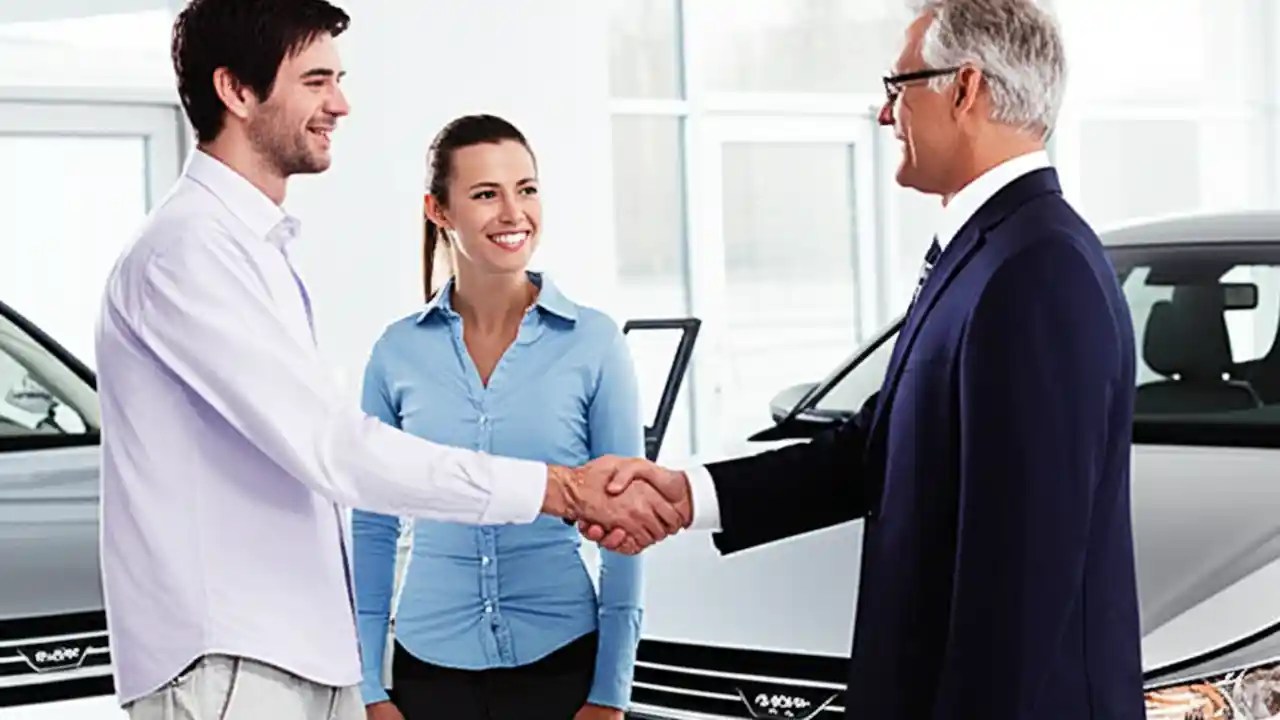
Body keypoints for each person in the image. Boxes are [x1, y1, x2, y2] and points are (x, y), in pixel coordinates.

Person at [94, 2, 680, 717]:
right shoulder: (188, 253)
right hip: (233, 662)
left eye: (336, 80)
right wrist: (559, 490)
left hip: (288, 655)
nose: (339, 104)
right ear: (237, 91)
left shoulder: (251, 249)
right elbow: (336, 452)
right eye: (315, 81)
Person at [583, 0, 1145, 717]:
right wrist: (684, 494)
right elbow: (878, 450)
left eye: (899, 86)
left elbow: (1021, 579)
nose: (885, 116)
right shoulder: (991, 251)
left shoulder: (1037, 269)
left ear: (965, 88)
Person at [352, 114, 643, 720]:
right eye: (486, 194)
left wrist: (610, 693)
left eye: (527, 189)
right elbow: (373, 526)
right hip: (429, 668)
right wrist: (370, 688)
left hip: (563, 664)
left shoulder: (594, 343)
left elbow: (626, 526)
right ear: (440, 210)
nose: (514, 212)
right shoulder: (396, 353)